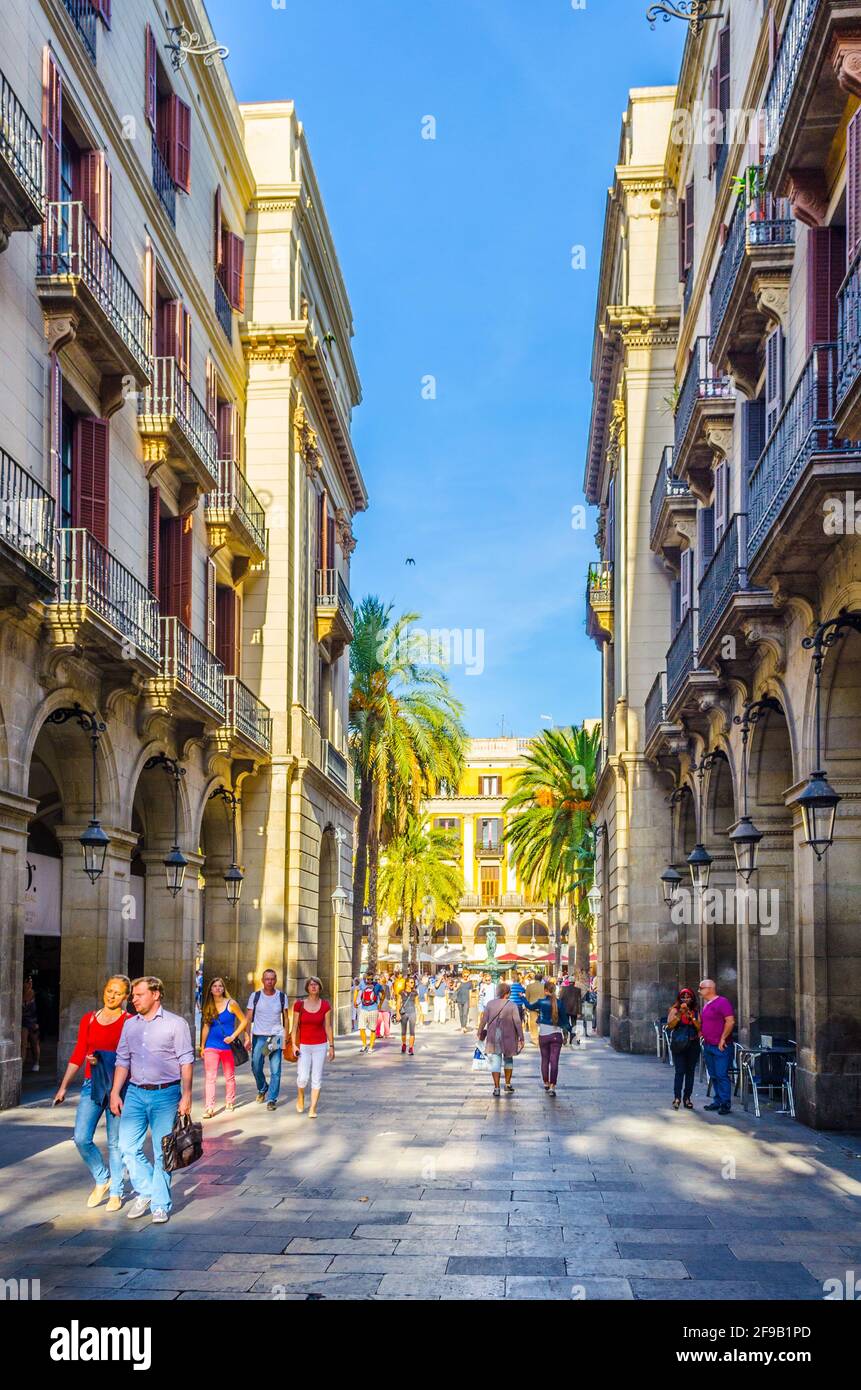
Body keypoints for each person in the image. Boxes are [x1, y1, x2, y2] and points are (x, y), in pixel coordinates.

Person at [110, 977, 194, 1225]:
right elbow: (122, 1060)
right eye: (133, 996)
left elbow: (186, 1060)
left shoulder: (176, 1024)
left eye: (139, 995)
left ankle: (160, 1204)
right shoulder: (130, 1025)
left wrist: (187, 1094)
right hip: (135, 1093)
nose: (133, 1000)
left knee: (162, 1151)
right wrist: (115, 1092)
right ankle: (148, 1190)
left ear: (156, 994)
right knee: (126, 1146)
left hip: (165, 1094)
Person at [53, 975, 131, 1211]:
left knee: (115, 1142)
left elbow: (132, 1057)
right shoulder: (89, 1019)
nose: (112, 996)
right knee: (81, 1137)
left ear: (126, 997)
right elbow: (79, 1053)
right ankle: (102, 1178)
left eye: (118, 993)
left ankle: (116, 1192)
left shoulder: (129, 1022)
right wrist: (64, 1086)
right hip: (92, 1084)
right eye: (109, 990)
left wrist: (104, 1059)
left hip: (118, 1087)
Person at [200, 978, 247, 1119]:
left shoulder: (231, 1004)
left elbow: (244, 1021)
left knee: (229, 1076)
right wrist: (202, 1046)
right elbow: (206, 1027)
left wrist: (233, 1036)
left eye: (220, 986)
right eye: (214, 986)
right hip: (211, 1046)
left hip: (227, 1046)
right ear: (210, 989)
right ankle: (209, 1107)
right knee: (210, 1077)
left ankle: (230, 1101)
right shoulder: (208, 1005)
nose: (217, 988)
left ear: (223, 988)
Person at [245, 970, 289, 1110]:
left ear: (276, 980)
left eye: (272, 979)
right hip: (259, 1036)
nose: (269, 981)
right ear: (262, 980)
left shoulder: (281, 996)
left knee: (275, 1069)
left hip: (275, 1036)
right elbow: (248, 1018)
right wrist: (247, 1036)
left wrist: (286, 1037)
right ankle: (263, 1087)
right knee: (256, 1066)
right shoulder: (255, 996)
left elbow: (286, 1017)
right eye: (267, 979)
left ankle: (272, 1099)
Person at [292, 977, 334, 1117]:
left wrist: (331, 1046)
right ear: (307, 988)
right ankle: (301, 1096)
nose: (314, 987)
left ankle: (313, 1108)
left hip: (320, 1045)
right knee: (302, 1077)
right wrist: (293, 1045)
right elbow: (294, 1026)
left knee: (317, 1077)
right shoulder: (299, 1005)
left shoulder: (325, 1005)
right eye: (311, 985)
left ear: (319, 987)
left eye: (316, 984)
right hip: (303, 1046)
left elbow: (328, 1027)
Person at [478, 982, 524, 1099]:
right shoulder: (512, 1005)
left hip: (493, 1036)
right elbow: (517, 1022)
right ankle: (507, 1084)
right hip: (509, 1036)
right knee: (508, 1059)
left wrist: (479, 1031)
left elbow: (484, 1020)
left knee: (495, 1061)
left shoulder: (490, 1004)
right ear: (507, 993)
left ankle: (496, 1087)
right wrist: (521, 1037)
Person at [698, 978, 736, 1116]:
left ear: (710, 988)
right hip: (708, 1045)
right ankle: (718, 1100)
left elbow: (730, 1021)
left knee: (721, 1075)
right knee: (713, 1075)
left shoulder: (722, 1002)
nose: (699, 991)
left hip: (720, 1046)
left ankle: (725, 1103)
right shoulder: (707, 1005)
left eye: (701, 988)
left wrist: (723, 1038)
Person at [525, 978, 568, 1095]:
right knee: (554, 1061)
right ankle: (553, 1086)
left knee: (545, 1060)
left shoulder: (541, 1002)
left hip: (543, 1035)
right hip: (556, 1035)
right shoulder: (559, 1003)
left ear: (545, 991)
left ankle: (546, 1083)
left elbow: (529, 1006)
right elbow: (565, 1021)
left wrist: (523, 997)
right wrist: (568, 1033)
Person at [667, 987, 701, 1110]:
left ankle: (687, 1098)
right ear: (679, 999)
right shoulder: (675, 1010)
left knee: (690, 1072)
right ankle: (677, 1098)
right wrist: (680, 1014)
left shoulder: (695, 1011)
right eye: (683, 997)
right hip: (679, 1045)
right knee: (680, 1071)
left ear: (692, 998)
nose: (686, 999)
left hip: (693, 1044)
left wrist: (691, 1017)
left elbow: (699, 1027)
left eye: (688, 997)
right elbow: (670, 1026)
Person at [356, 974, 382, 1053]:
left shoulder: (377, 985)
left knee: (373, 1029)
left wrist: (380, 1004)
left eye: (371, 979)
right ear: (365, 979)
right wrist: (354, 1001)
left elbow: (383, 993)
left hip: (373, 1009)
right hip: (364, 1009)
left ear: (373, 979)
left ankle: (370, 1047)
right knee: (361, 1028)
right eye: (367, 979)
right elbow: (356, 990)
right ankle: (364, 1045)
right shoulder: (362, 984)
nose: (369, 981)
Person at [21, 975, 41, 1072]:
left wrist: (38, 1023)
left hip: (33, 1022)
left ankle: (36, 1062)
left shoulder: (35, 995)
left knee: (34, 1043)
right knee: (23, 1043)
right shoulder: (20, 994)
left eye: (31, 982)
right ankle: (21, 1064)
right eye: (27, 982)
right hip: (23, 1022)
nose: (30, 984)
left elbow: (41, 1010)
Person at [397, 977, 419, 1054]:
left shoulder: (415, 992)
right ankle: (404, 1044)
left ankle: (411, 1048)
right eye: (411, 982)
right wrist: (397, 1013)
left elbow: (417, 1003)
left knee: (412, 1031)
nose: (413, 984)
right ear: (407, 983)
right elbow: (398, 1003)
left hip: (412, 1012)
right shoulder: (401, 992)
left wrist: (420, 1013)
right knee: (403, 1031)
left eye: (413, 982)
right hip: (404, 1013)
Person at [559, 977, 582, 1046]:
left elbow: (560, 999)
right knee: (574, 1024)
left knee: (565, 1024)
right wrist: (579, 1012)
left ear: (568, 982)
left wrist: (559, 1009)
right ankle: (572, 1038)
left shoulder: (563, 989)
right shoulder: (578, 990)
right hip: (574, 1010)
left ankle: (565, 1037)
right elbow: (579, 1001)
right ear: (574, 983)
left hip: (565, 1009)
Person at [524, 975, 544, 1045]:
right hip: (542, 1006)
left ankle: (535, 1039)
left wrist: (526, 1007)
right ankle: (543, 1037)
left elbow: (527, 997)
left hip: (532, 1006)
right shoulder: (544, 986)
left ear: (535, 979)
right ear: (541, 979)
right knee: (543, 1023)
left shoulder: (529, 986)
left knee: (533, 1023)